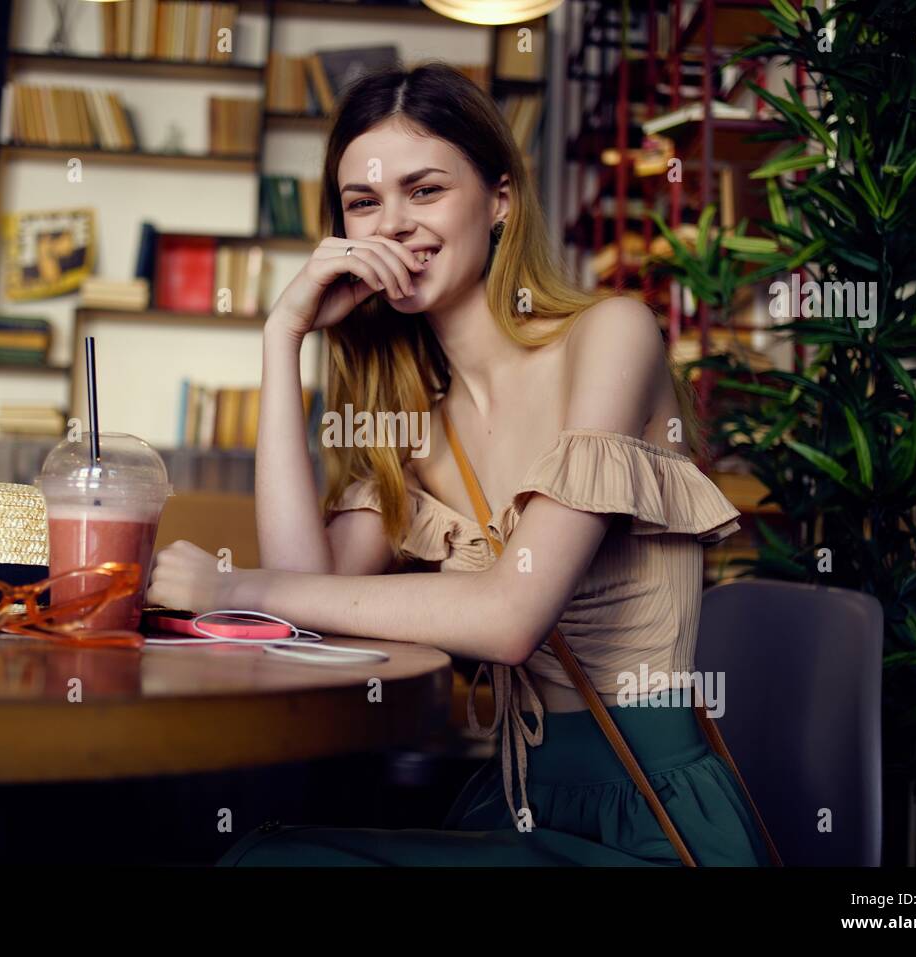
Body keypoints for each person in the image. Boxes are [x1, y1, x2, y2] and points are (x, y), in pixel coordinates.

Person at [147, 62, 774, 866]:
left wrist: (233, 588)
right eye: (363, 203)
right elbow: (310, 602)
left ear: (501, 199)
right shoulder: (414, 419)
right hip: (513, 801)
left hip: (652, 821)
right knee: (260, 849)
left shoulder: (612, 336)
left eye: (426, 189)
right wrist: (283, 339)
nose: (393, 224)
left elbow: (511, 618)